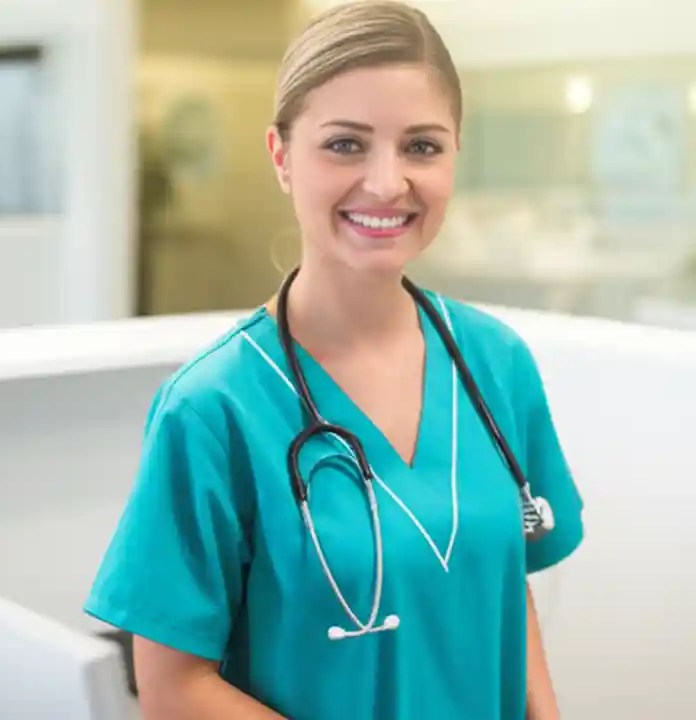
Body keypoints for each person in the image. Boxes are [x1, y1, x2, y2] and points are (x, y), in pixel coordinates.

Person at [83, 2, 585, 718]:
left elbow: (505, 591)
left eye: (422, 146)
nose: (387, 182)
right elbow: (173, 689)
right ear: (282, 157)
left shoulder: (495, 364)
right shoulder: (213, 408)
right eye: (346, 145)